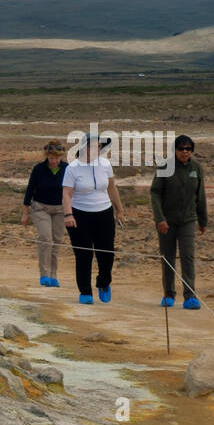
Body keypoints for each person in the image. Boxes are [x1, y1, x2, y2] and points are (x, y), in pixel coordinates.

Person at [63, 130, 126, 304]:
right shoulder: (73, 167)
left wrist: (119, 210)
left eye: (99, 146)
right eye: (92, 146)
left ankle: (104, 282)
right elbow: (66, 194)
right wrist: (68, 214)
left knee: (107, 253)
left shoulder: (105, 164)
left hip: (104, 213)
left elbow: (112, 188)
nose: (96, 149)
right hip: (79, 214)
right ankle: (85, 292)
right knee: (84, 254)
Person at [150, 134, 207, 309]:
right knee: (168, 258)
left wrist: (203, 220)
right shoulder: (165, 166)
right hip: (166, 221)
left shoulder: (196, 168)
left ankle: (190, 296)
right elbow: (155, 193)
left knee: (187, 257)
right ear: (175, 150)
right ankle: (168, 294)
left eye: (188, 149)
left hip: (187, 220)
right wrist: (160, 219)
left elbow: (201, 195)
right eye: (181, 149)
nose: (184, 152)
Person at [22, 140, 68, 286]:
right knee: (45, 238)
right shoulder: (39, 169)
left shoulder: (67, 169)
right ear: (47, 156)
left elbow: (72, 191)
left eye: (56, 158)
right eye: (51, 158)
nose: (54, 161)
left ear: (61, 157)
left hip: (61, 209)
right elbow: (30, 190)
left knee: (57, 241)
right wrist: (25, 212)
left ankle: (54, 275)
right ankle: (44, 275)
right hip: (41, 208)